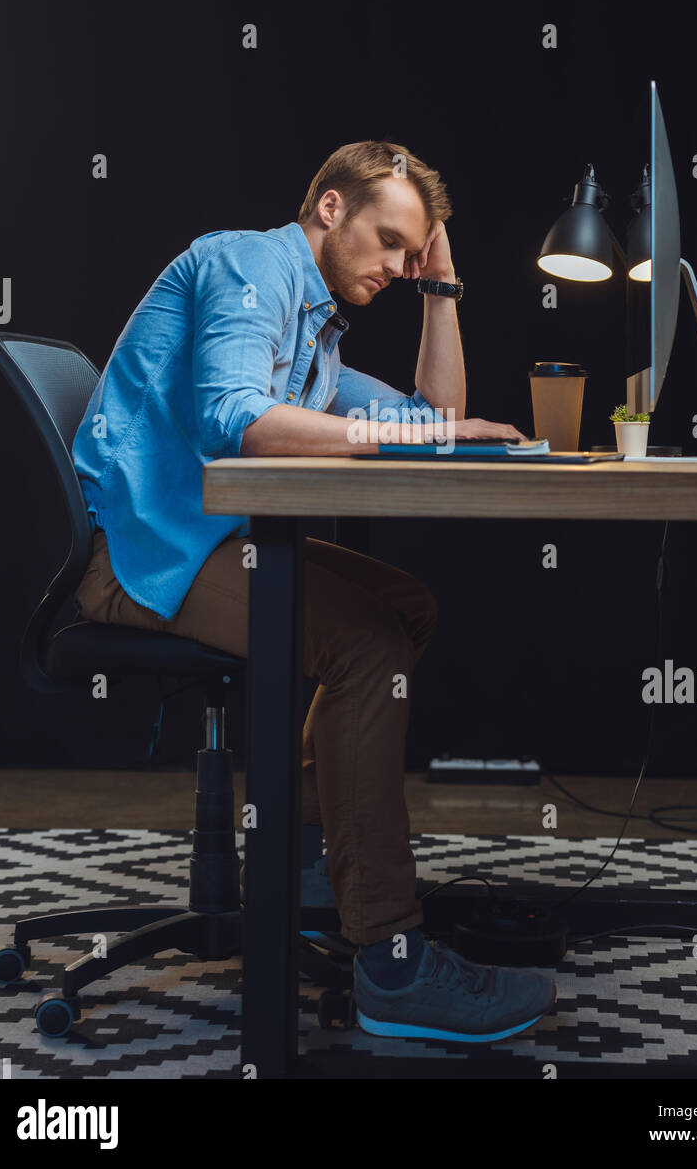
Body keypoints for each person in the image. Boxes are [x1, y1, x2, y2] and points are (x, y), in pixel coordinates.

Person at [72, 139, 557, 1041]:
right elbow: (236, 418)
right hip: (142, 560)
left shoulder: (317, 333)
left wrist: (440, 289)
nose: (393, 268)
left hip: (204, 543)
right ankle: (391, 962)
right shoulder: (248, 262)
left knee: (403, 608)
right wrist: (408, 441)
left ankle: (297, 865)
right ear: (329, 208)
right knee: (367, 645)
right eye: (385, 241)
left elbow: (431, 419)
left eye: (409, 253)